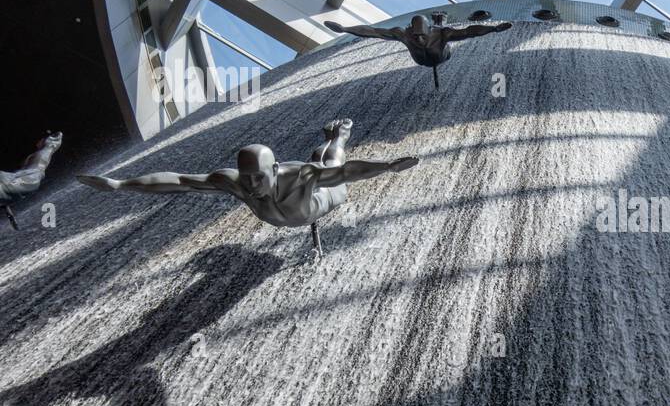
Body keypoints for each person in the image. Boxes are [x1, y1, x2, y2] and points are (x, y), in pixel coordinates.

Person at [78, 120, 417, 260]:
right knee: (323, 163)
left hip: (322, 199)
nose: (251, 185)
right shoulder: (237, 183)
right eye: (246, 176)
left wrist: (387, 167)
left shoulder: (300, 176)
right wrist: (120, 184)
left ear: (273, 169)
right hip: (293, 210)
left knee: (328, 160)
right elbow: (179, 181)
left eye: (258, 177)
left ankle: (338, 133)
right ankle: (331, 137)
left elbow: (346, 171)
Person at [325, 13, 511, 89]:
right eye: (416, 36)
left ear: (430, 30)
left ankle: (439, 19)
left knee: (448, 31)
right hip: (421, 60)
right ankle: (438, 18)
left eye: (423, 35)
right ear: (410, 31)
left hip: (442, 55)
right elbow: (373, 32)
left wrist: (493, 29)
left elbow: (469, 32)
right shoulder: (403, 34)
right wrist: (345, 29)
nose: (419, 39)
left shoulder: (442, 34)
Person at [1, 131, 62, 228]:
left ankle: (51, 141)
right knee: (35, 169)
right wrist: (11, 218)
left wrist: (11, 218)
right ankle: (50, 142)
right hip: (13, 183)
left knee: (35, 169)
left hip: (15, 182)